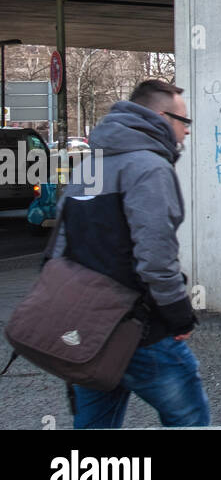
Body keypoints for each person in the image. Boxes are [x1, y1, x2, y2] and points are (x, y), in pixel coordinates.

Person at [51, 79, 210, 428]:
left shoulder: (88, 167)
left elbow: (59, 249)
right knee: (190, 420)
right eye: (184, 121)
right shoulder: (150, 168)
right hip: (140, 331)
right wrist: (179, 315)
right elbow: (155, 257)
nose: (185, 131)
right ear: (159, 117)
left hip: (89, 331)